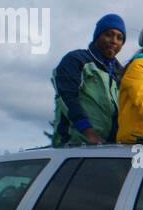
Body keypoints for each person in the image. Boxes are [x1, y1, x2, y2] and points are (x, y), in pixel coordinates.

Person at [49, 13, 125, 146]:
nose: (114, 41)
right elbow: (67, 99)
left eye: (120, 38)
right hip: (74, 147)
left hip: (109, 148)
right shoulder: (76, 59)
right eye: (109, 34)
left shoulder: (121, 72)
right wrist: (89, 133)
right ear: (97, 36)